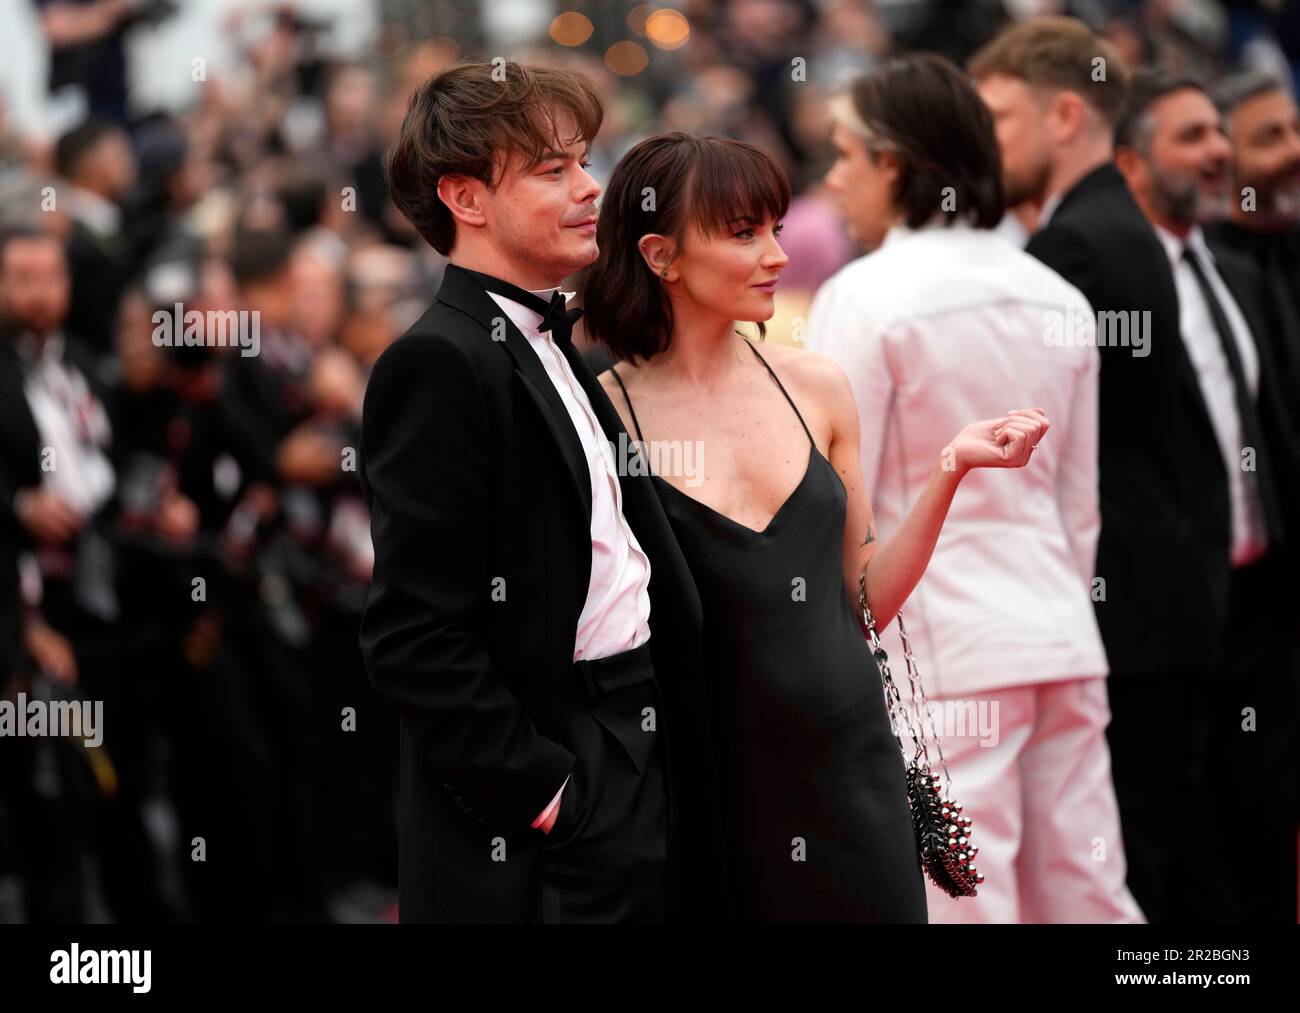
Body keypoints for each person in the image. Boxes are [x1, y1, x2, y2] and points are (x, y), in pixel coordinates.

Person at [585, 130, 1049, 922]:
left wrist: (951, 468)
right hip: (713, 783)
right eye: (742, 233)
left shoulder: (816, 385)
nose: (776, 253)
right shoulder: (603, 415)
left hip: (854, 766)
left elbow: (865, 597)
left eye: (773, 226)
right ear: (661, 255)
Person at [359, 62, 714, 923]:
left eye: (583, 161)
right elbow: (413, 633)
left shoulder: (550, 342)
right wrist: (550, 790)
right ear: (466, 198)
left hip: (638, 744)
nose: (591, 187)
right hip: (558, 785)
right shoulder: (439, 361)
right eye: (553, 170)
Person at [807, 53, 1141, 924]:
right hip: (1060, 633)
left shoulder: (861, 296)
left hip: (940, 651)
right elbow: (1080, 503)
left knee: (961, 901)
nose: (833, 180)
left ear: (892, 160)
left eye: (844, 154)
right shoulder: (1055, 291)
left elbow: (851, 502)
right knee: (1086, 889)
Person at [969, 16, 1237, 921]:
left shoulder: (1074, 249)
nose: (983, 142)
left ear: (1067, 115)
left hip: (1124, 607)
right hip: (1157, 598)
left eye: (1000, 117)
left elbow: (1035, 449)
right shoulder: (1117, 231)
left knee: (1125, 860)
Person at [1114, 68, 1300, 922]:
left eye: (1219, 135)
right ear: (1132, 163)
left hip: (1263, 607)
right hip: (1177, 623)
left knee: (1266, 831)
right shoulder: (1120, 284)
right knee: (1185, 848)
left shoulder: (1234, 271)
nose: (1219, 152)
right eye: (1193, 137)